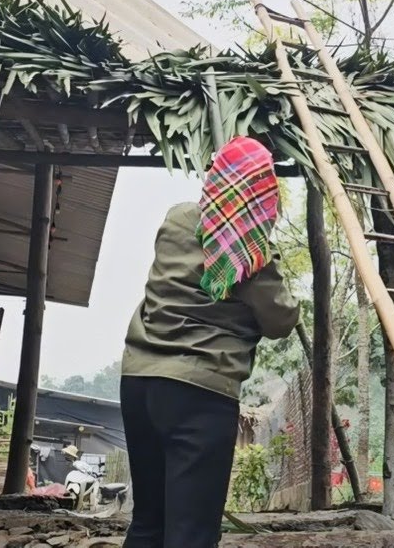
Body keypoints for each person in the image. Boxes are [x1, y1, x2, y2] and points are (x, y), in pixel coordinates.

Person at [120, 136, 298, 548]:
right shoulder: (251, 257)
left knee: (148, 522)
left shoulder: (177, 219)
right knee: (191, 535)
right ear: (262, 194)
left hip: (140, 382)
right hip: (200, 395)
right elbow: (280, 320)